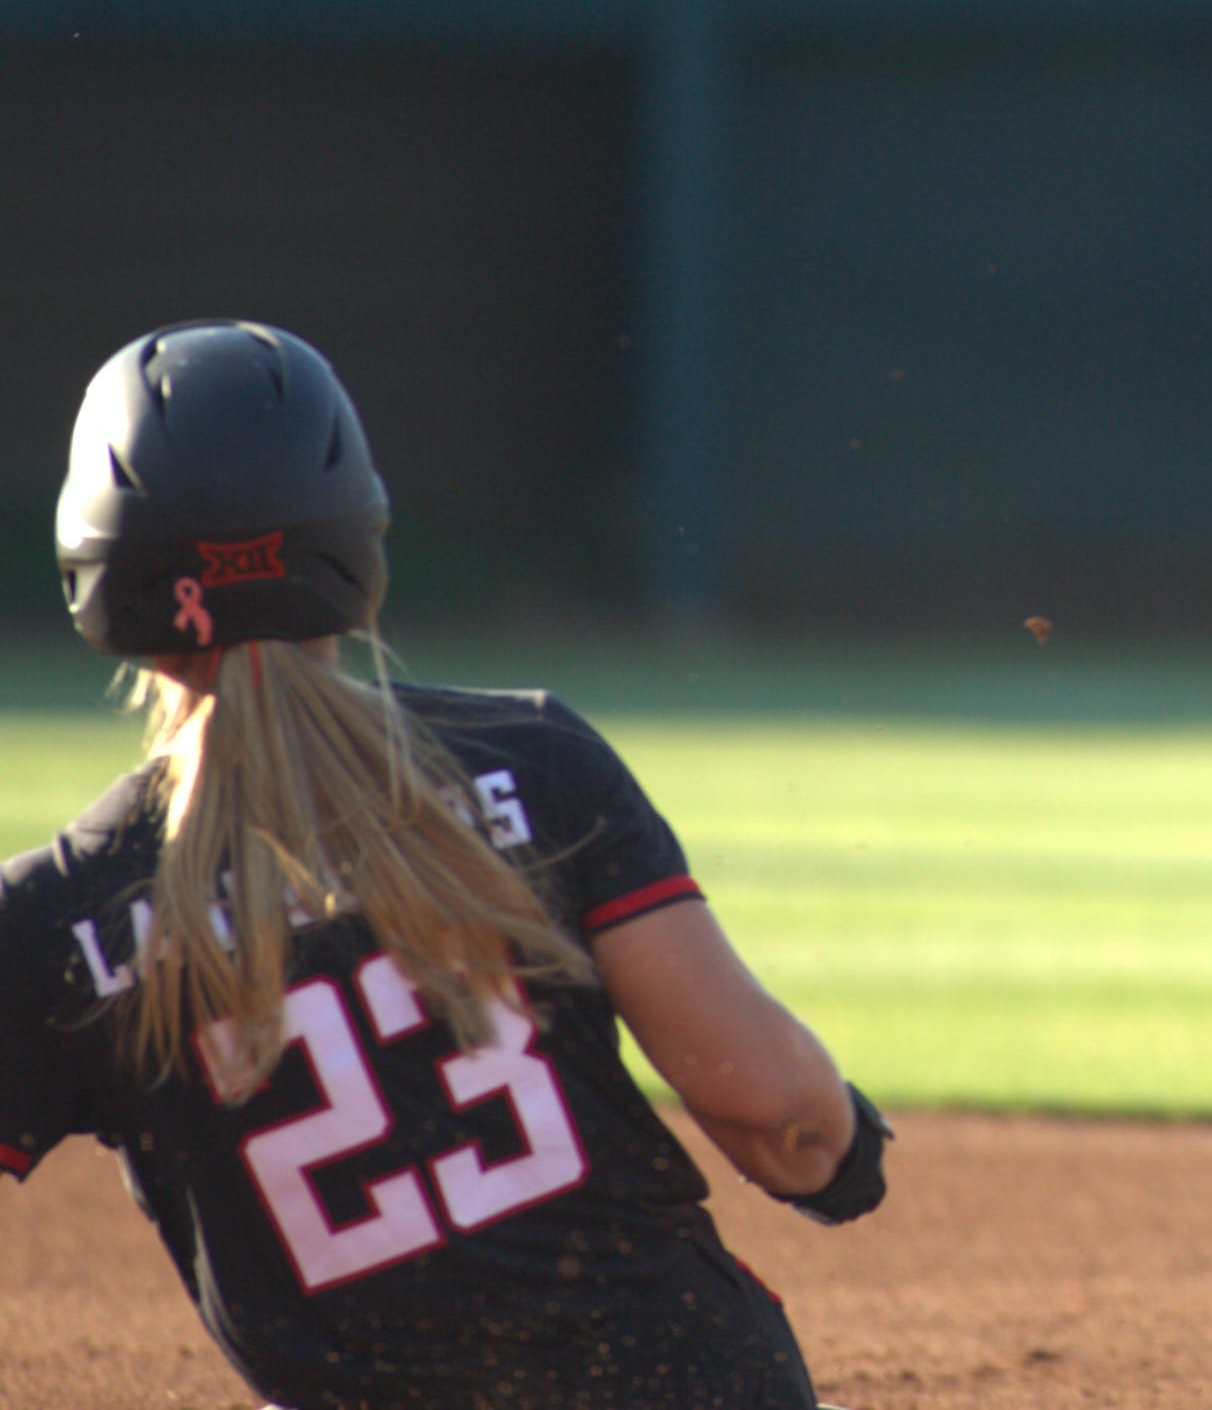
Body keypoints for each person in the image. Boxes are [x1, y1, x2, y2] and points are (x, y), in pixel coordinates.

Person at [0, 321, 890, 1409]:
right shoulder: (536, 762)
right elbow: (771, 1108)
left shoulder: (55, 917)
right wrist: (843, 1155)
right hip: (686, 1378)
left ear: (100, 568)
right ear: (351, 537)